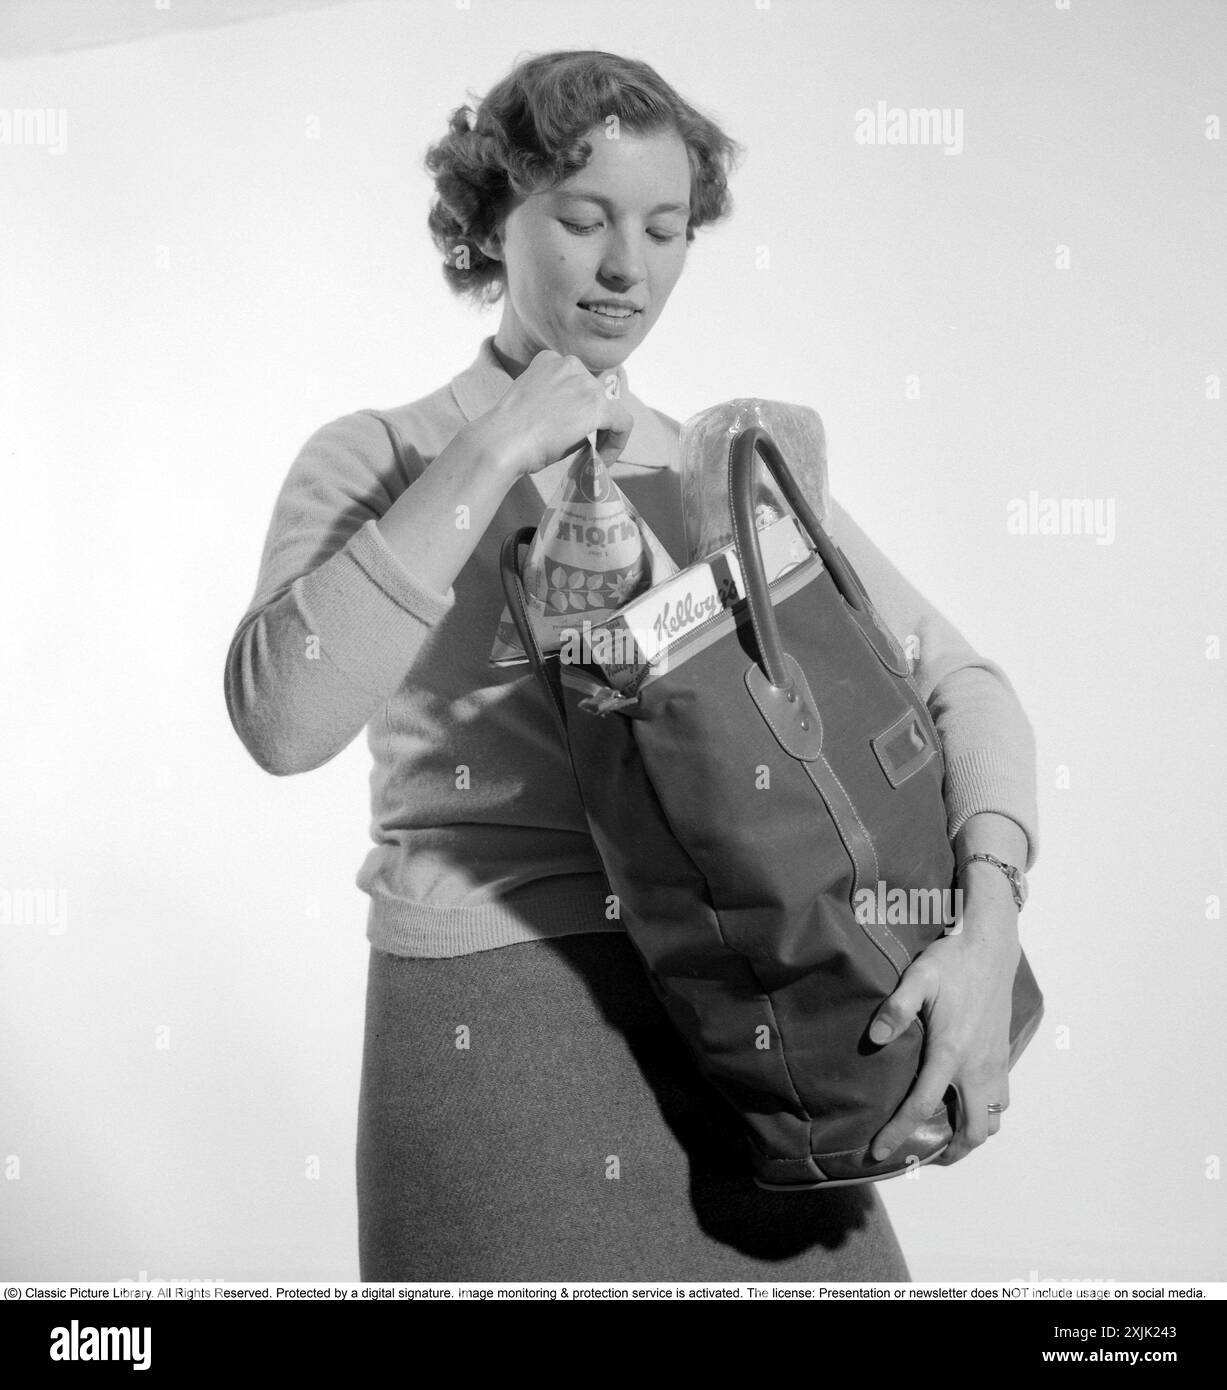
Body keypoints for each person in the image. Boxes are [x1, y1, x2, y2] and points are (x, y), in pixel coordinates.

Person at [224, 50, 1038, 1282]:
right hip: (493, 1026)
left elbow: (962, 683)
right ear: (492, 216)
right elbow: (285, 718)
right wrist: (499, 447)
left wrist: (983, 928)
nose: (627, 268)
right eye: (583, 217)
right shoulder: (387, 456)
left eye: (665, 229)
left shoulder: (723, 474)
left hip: (763, 1011)